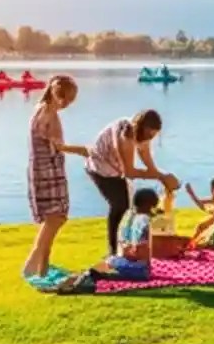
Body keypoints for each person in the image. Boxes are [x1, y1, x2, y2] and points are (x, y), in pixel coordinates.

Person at [22, 75, 90, 283]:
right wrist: (84, 151)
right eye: (67, 99)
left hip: (43, 168)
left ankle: (34, 264)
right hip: (48, 169)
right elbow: (60, 146)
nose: (68, 104)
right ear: (57, 94)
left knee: (55, 217)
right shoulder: (48, 114)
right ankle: (39, 268)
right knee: (55, 217)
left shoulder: (41, 109)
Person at [85, 109, 180, 256]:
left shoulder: (142, 137)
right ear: (142, 128)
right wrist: (161, 177)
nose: (150, 139)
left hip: (115, 166)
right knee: (120, 205)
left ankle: (123, 245)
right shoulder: (127, 135)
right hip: (100, 167)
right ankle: (114, 249)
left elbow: (149, 164)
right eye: (149, 135)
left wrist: (163, 177)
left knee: (125, 205)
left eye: (153, 136)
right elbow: (129, 172)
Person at [86, 187, 159, 282]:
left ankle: (101, 272)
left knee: (111, 261)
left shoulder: (128, 216)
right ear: (149, 205)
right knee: (139, 271)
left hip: (120, 258)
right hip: (138, 266)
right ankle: (107, 276)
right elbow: (144, 248)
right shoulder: (144, 221)